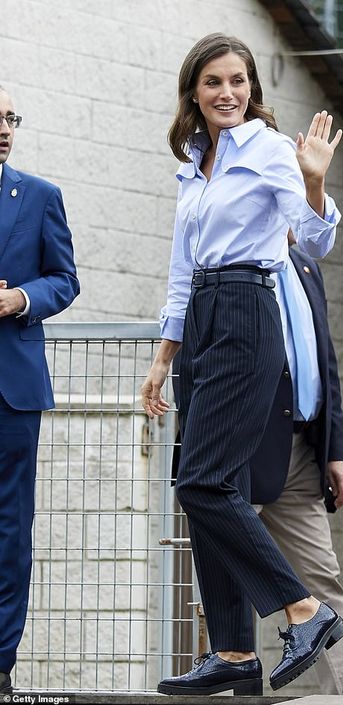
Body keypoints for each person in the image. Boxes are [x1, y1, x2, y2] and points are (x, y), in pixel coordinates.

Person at [141, 32, 343, 696]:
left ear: (252, 89)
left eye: (238, 81)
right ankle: (233, 652)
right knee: (213, 485)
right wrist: (161, 357)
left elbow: (313, 240)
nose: (227, 93)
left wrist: (313, 181)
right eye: (213, 82)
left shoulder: (267, 150)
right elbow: (181, 274)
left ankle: (303, 610)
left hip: (245, 309)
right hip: (201, 318)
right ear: (193, 94)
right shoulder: (193, 164)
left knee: (197, 482)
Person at [250, 235, 343, 694]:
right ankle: (236, 688)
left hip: (303, 449)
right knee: (235, 577)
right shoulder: (228, 258)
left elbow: (325, 359)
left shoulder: (304, 266)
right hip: (246, 447)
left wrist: (336, 451)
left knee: (322, 576)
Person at [0, 87, 79, 695]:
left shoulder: (41, 196)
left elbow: (64, 279)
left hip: (13, 393)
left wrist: (20, 298)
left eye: (10, 117)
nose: (5, 128)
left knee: (9, 531)